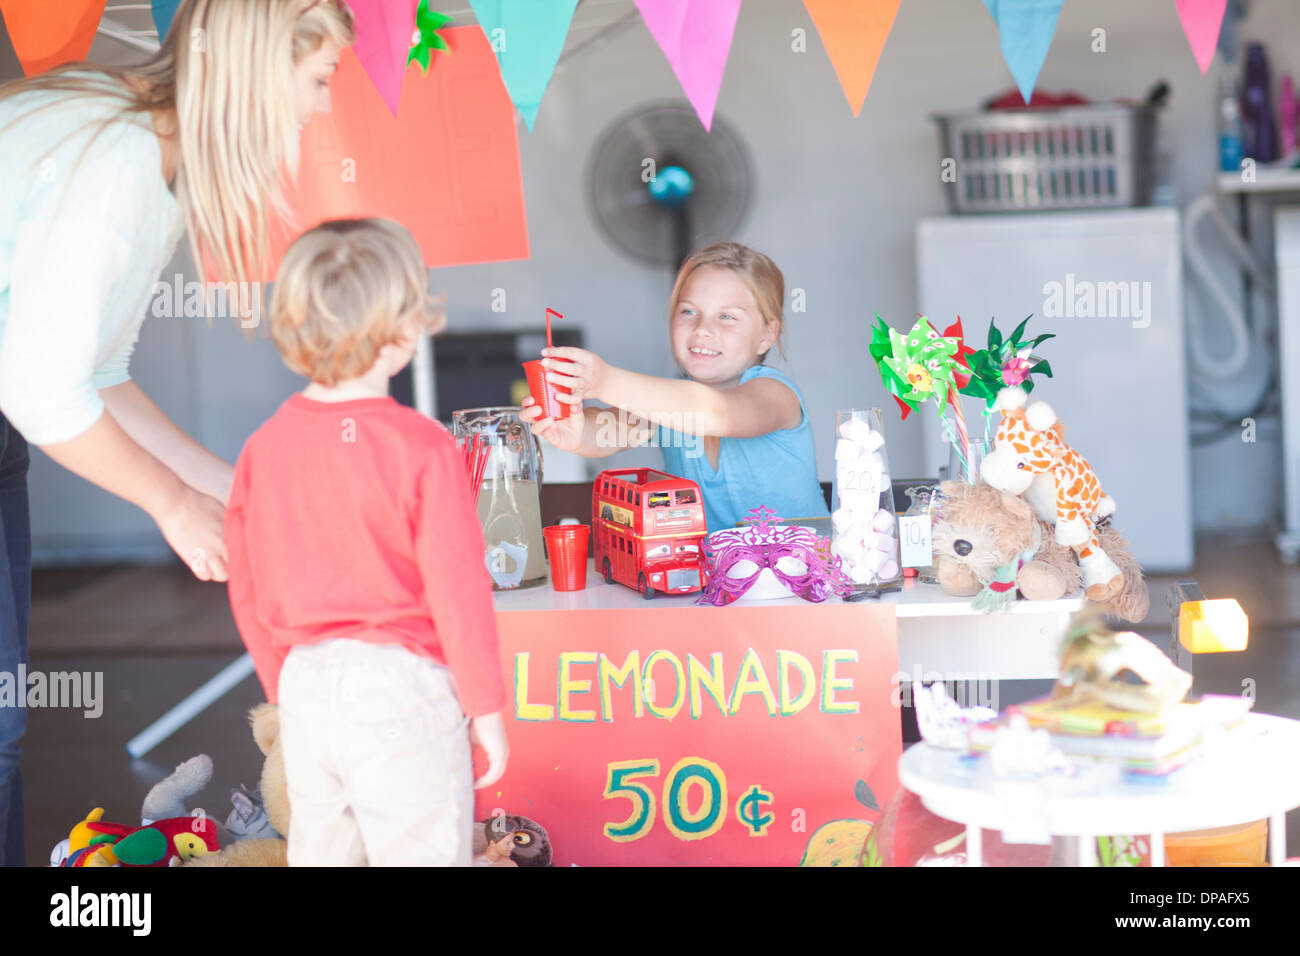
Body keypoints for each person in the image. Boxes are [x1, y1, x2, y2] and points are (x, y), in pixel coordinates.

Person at [0, 0, 356, 868]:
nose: (318, 110)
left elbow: (100, 376)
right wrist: (171, 505)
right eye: (317, 82)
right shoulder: (117, 156)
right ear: (258, 68)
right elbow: (41, 389)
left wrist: (240, 496)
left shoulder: (152, 159)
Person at [225, 218, 508, 867]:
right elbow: (459, 591)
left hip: (306, 684)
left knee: (324, 851)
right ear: (405, 327)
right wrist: (486, 708)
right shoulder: (423, 446)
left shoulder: (262, 448)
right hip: (400, 686)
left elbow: (248, 583)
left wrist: (281, 683)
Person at [522, 241, 829, 531]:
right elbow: (604, 431)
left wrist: (604, 380)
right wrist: (572, 430)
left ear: (766, 334)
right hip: (719, 583)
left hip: (800, 579)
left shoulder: (776, 395)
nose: (703, 328)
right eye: (688, 311)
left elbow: (713, 412)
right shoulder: (666, 405)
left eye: (726, 316)